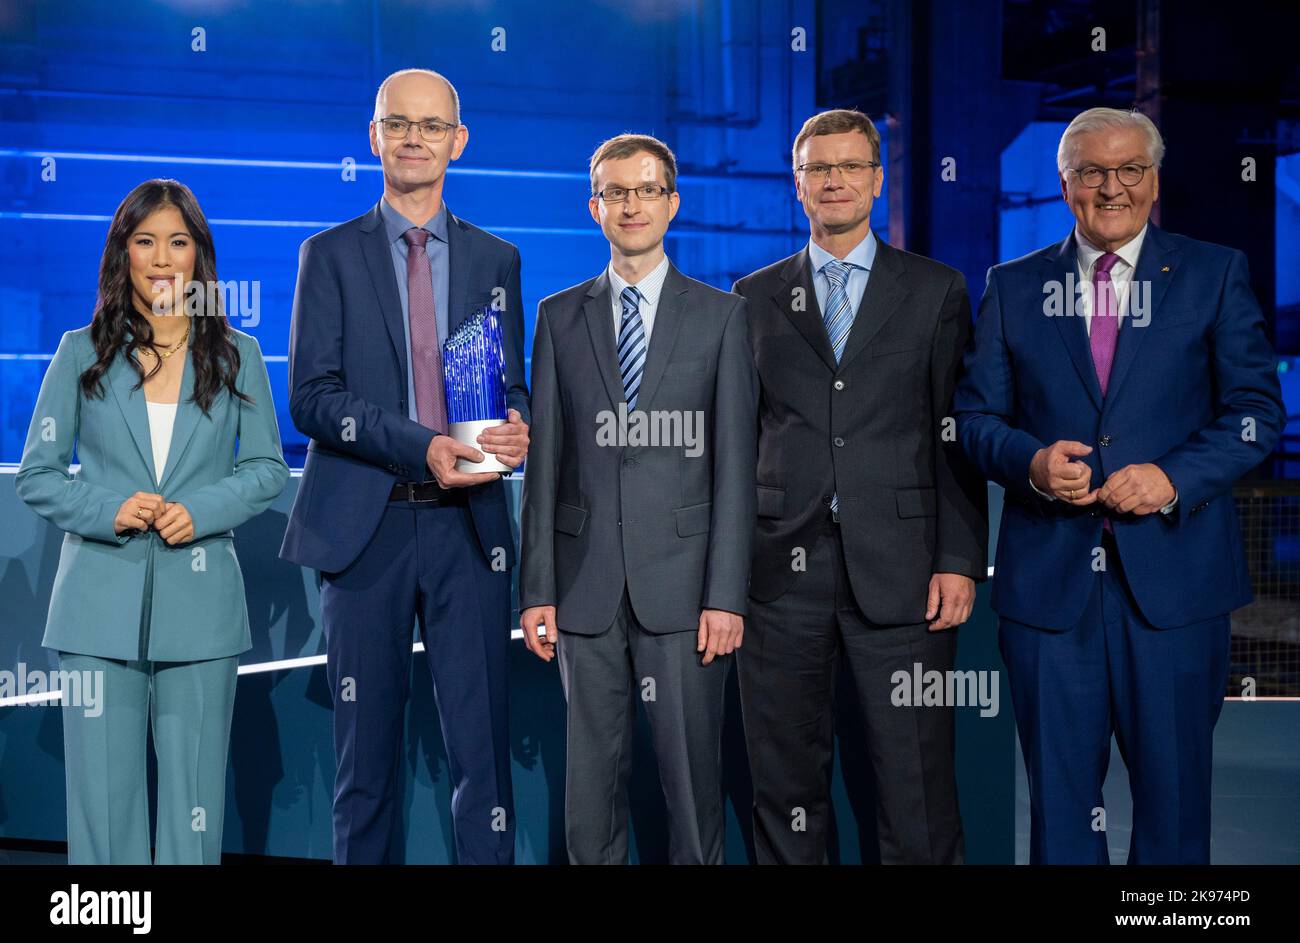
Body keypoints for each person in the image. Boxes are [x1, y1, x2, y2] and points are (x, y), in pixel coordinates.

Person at [953, 107, 1285, 863]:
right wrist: (1031, 464)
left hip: (1174, 592)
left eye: (1129, 169)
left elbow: (1257, 413)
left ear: (1154, 180)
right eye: (1092, 173)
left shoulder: (1212, 273)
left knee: (1174, 813)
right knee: (1061, 814)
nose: (1112, 188)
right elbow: (973, 420)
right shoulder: (1012, 286)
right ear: (1066, 184)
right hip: (1050, 593)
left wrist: (1172, 476)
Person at [279, 68, 530, 864]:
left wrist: (518, 424)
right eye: (399, 124)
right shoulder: (327, 255)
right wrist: (417, 445)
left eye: (431, 126)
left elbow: (508, 383)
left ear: (459, 140)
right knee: (365, 765)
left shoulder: (497, 259)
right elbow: (313, 399)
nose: (414, 138)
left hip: (471, 530)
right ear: (375, 137)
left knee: (482, 759)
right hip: (366, 528)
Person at [731, 109, 988, 864]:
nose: (834, 180)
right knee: (783, 781)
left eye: (849, 167)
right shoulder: (751, 296)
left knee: (915, 779)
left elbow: (958, 434)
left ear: (877, 181)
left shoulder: (936, 291)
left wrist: (958, 557)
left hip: (906, 572)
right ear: (797, 186)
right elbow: (739, 437)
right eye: (818, 168)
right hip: (778, 573)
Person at [17, 178, 288, 864]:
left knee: (193, 814)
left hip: (201, 612)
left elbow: (265, 470)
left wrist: (199, 512)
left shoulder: (238, 355)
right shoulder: (80, 352)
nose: (162, 258)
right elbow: (40, 474)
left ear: (199, 256)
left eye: (178, 242)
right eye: (145, 242)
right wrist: (107, 509)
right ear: (123, 254)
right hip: (96, 611)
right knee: (103, 816)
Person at [518, 134, 757, 864]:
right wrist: (537, 590)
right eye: (616, 192)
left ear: (672, 203)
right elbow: (547, 462)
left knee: (691, 787)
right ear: (595, 207)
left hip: (686, 592)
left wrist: (726, 596)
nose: (632, 204)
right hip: (583, 585)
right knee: (590, 791)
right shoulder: (559, 317)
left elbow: (735, 470)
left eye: (647, 190)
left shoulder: (721, 316)